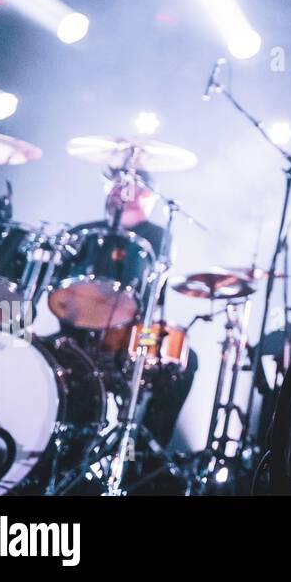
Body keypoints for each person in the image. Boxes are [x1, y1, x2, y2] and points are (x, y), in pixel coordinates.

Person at [66, 170, 196, 448]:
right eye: (114, 185)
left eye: (129, 186)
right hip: (78, 332)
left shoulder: (158, 237)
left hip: (134, 334)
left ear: (149, 196)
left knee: (184, 360)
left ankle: (145, 454)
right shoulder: (83, 232)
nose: (118, 190)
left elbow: (151, 293)